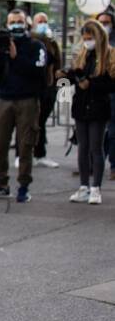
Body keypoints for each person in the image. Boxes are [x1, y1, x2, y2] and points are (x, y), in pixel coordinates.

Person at [0, 8, 47, 203]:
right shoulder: (1, 46)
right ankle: (2, 183)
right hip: (4, 99)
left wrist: (15, 56)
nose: (16, 25)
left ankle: (24, 185)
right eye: (12, 22)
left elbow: (38, 72)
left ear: (26, 23)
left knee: (25, 144)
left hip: (27, 100)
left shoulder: (35, 45)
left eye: (19, 21)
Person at [62, 20, 114, 205]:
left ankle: (95, 188)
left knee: (95, 148)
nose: (87, 41)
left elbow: (111, 84)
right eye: (84, 38)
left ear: (98, 37)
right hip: (81, 106)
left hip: (99, 107)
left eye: (90, 38)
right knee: (82, 148)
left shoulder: (110, 55)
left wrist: (91, 84)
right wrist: (67, 75)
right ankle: (83, 186)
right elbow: (73, 79)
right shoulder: (82, 55)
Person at [32, 12, 62, 168]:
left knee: (41, 122)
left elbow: (57, 64)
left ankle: (40, 153)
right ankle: (25, 153)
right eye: (40, 21)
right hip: (33, 88)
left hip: (49, 88)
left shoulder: (52, 43)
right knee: (30, 122)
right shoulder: (30, 41)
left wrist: (57, 85)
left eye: (45, 21)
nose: (43, 23)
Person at [98, 10, 115, 181]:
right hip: (95, 94)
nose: (104, 25)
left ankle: (113, 165)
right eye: (101, 22)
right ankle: (95, 165)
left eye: (107, 22)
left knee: (112, 131)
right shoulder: (91, 42)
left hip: (112, 92)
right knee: (96, 132)